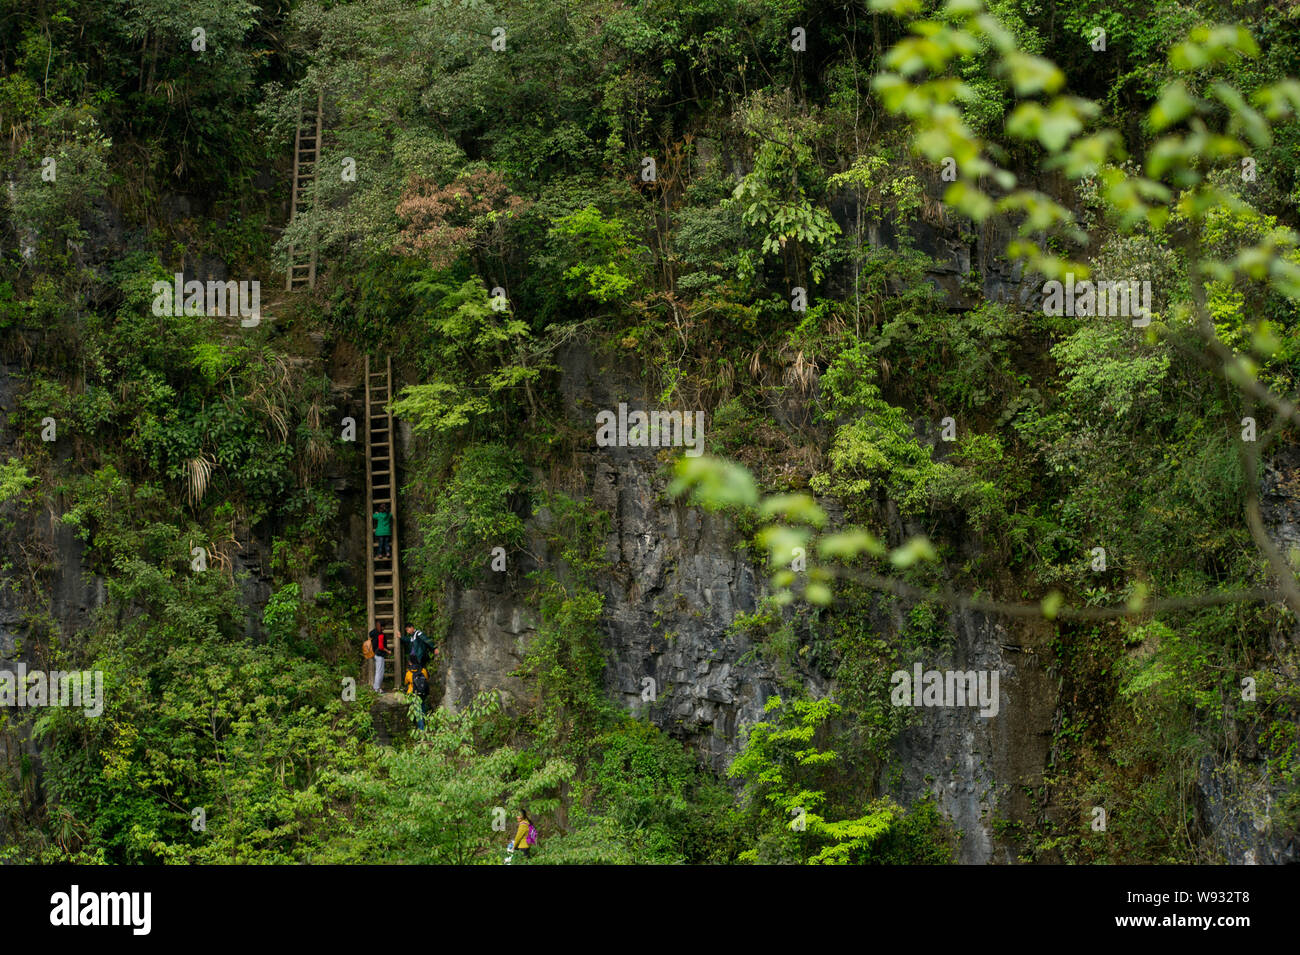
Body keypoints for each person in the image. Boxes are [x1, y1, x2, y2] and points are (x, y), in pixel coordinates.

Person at [404, 660, 430, 731]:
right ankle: (425, 726)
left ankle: (421, 729)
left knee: (417, 711)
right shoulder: (423, 670)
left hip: (413, 693)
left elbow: (406, 682)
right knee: (422, 708)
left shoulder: (409, 672)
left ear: (410, 663)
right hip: (422, 692)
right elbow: (427, 679)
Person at [370, 623, 390, 691]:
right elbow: (381, 646)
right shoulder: (381, 635)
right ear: (381, 627)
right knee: (379, 672)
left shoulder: (375, 633)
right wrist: (388, 651)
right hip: (379, 654)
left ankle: (376, 687)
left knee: (378, 671)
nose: (384, 628)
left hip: (375, 654)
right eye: (384, 627)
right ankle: (377, 688)